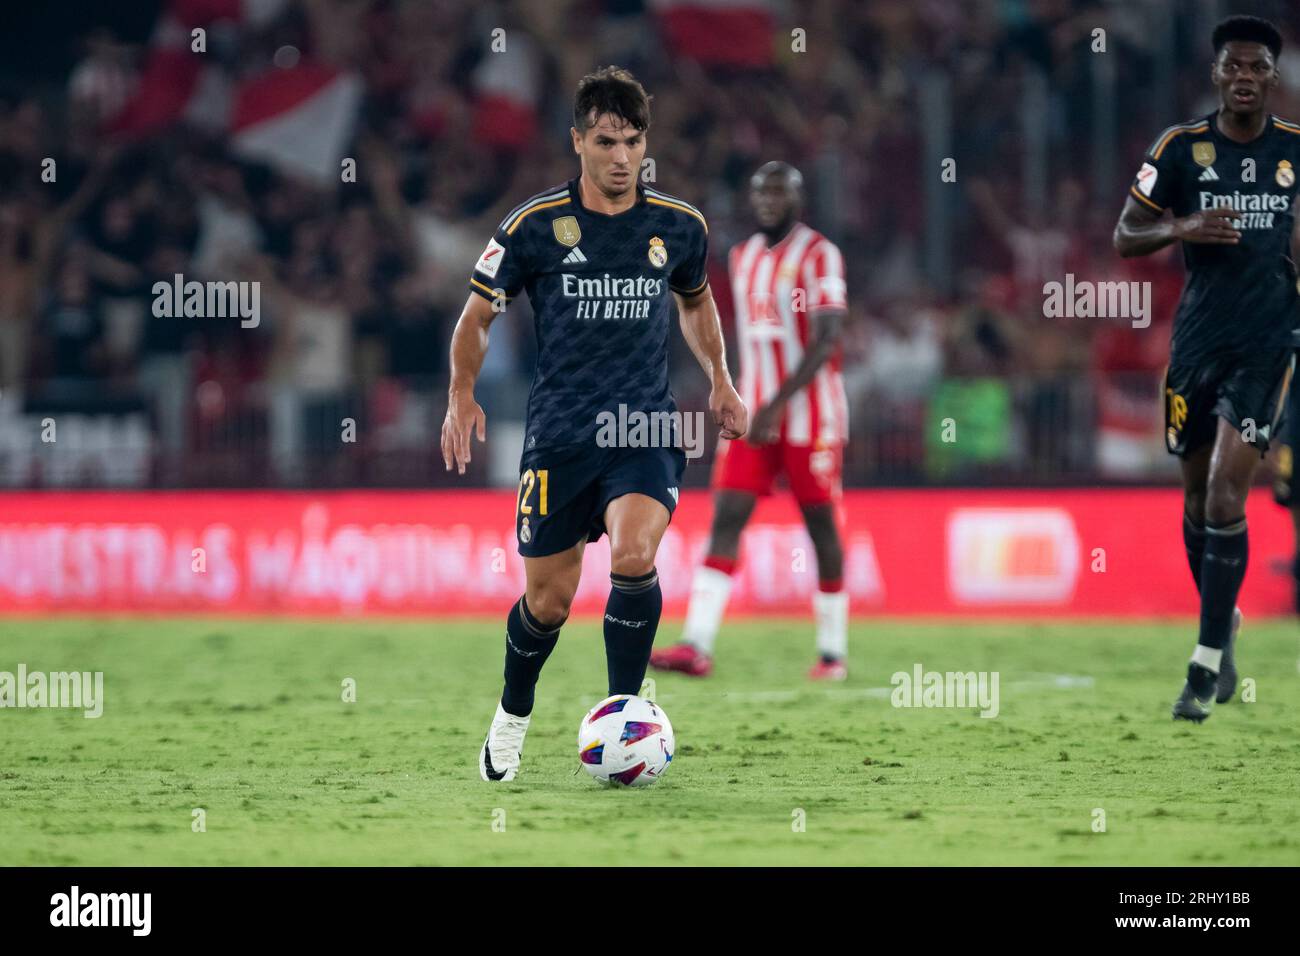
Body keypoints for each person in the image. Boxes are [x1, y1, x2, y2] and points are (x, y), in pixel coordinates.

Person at [441, 66, 747, 781]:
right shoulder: (533, 228)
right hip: (559, 436)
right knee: (547, 603)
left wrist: (722, 381)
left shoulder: (679, 227)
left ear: (647, 145)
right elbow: (478, 316)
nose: (621, 156)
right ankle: (512, 715)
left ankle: (624, 716)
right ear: (577, 140)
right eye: (606, 141)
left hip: (643, 430)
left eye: (633, 141)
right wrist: (461, 393)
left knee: (636, 555)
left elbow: (696, 305)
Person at [1113, 16, 1300, 721]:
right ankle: (1224, 635)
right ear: (1218, 75)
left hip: (1267, 341)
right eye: (1234, 67)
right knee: (1195, 501)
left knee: (1226, 494)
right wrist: (1181, 227)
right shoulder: (1180, 149)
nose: (1245, 77)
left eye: (1258, 68)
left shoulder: (1295, 152)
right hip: (1196, 344)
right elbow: (1125, 235)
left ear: (1272, 78)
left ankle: (1204, 662)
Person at [650, 162, 851, 679]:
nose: (767, 201)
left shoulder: (819, 254)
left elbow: (828, 337)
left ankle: (832, 653)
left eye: (779, 192)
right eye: (760, 192)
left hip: (809, 415)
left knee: (821, 526)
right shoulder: (741, 257)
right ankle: (696, 643)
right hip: (754, 414)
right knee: (727, 517)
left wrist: (780, 401)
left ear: (798, 199)